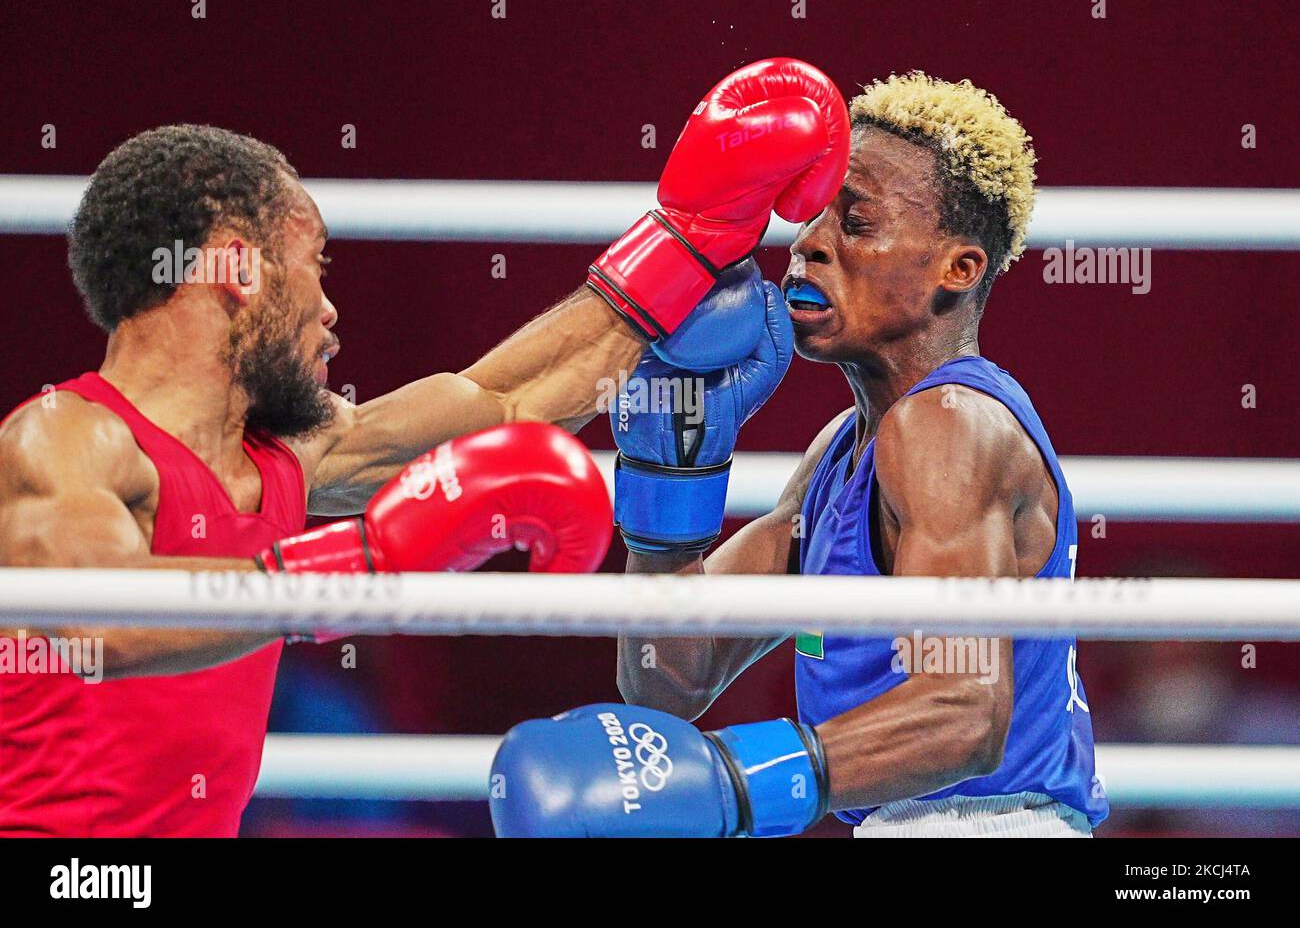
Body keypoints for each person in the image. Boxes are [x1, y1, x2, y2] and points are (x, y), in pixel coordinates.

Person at [0, 58, 850, 835]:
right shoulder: (65, 435)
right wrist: (365, 558)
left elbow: (505, 401)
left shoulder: (288, 453)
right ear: (238, 270)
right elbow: (100, 619)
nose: (330, 310)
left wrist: (686, 239)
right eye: (315, 264)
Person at [490, 72, 1110, 838]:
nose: (810, 242)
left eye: (857, 221)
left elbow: (964, 712)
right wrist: (671, 480)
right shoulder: (842, 452)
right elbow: (672, 678)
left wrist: (731, 781)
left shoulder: (950, 425)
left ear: (958, 269)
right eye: (813, 215)